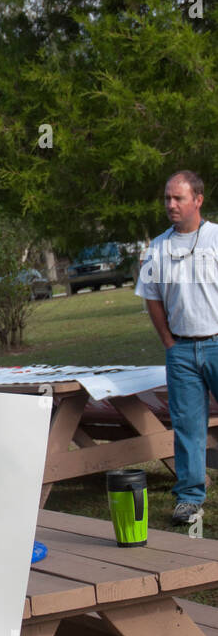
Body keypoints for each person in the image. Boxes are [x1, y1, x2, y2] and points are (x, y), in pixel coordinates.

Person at [136, 170, 218, 524]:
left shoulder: (215, 238)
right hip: (182, 351)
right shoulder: (158, 247)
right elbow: (151, 297)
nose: (170, 204)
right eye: (167, 198)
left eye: (178, 198)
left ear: (197, 200)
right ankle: (189, 498)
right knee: (187, 426)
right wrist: (169, 342)